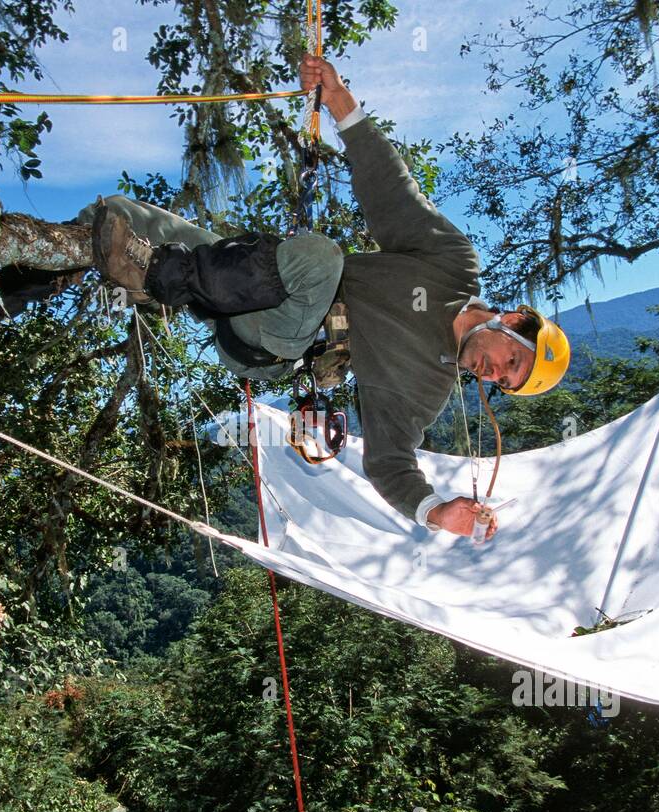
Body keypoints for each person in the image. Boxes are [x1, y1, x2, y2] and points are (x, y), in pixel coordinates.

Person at [90, 55, 573, 538]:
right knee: (117, 215)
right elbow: (392, 193)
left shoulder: (425, 389)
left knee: (319, 260)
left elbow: (390, 463)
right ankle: (44, 272)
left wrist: (433, 511)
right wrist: (341, 101)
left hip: (272, 342)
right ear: (510, 323)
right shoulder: (452, 266)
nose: (493, 375)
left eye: (503, 383)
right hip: (248, 283)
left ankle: (160, 279)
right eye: (511, 362)